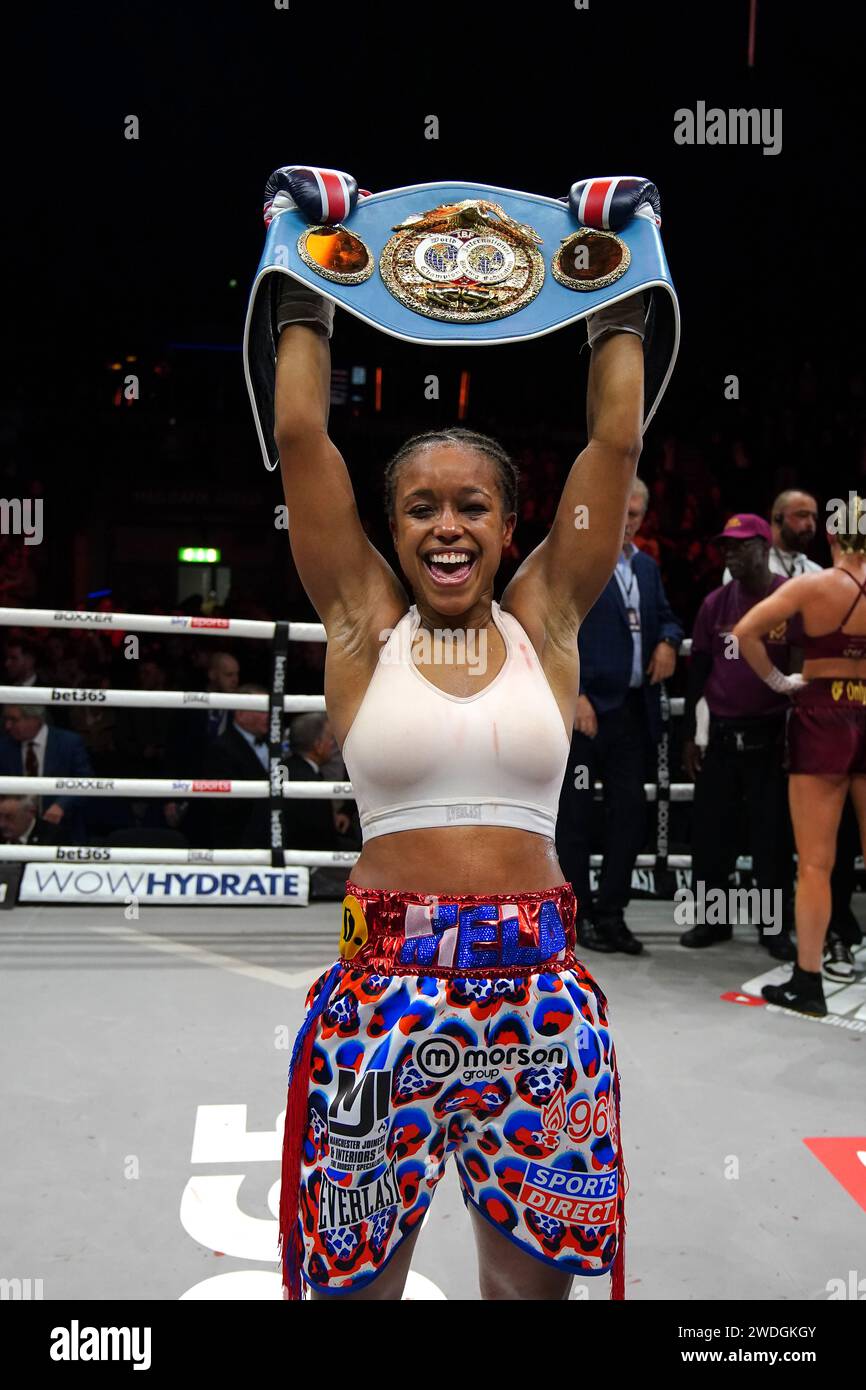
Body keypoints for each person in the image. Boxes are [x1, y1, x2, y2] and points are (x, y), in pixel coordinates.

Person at [268, 165, 657, 1302]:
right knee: (354, 1294)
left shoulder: (545, 621)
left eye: (471, 505)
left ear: (507, 523)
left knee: (530, 1298)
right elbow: (300, 432)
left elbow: (615, 446)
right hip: (383, 994)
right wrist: (299, 256)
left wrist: (620, 275)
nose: (446, 526)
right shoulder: (359, 621)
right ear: (389, 527)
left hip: (538, 1002)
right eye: (420, 507)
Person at [732, 498, 866, 1015]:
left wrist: (780, 682)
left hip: (821, 718)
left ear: (831, 538)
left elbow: (744, 632)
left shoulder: (813, 586)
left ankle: (808, 983)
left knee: (814, 864)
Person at [556, 477, 683, 954]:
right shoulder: (579, 564)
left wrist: (669, 640)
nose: (626, 522)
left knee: (630, 814)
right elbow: (554, 634)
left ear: (642, 517)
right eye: (620, 512)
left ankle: (612, 913)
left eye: (634, 515)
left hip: (631, 714)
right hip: (587, 712)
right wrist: (576, 695)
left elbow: (668, 616)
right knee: (576, 816)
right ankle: (579, 916)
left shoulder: (646, 568)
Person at [681, 516, 800, 960]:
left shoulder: (790, 599)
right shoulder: (715, 603)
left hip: (772, 735)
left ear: (763, 547)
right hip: (724, 738)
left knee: (772, 840)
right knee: (711, 838)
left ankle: (774, 929)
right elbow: (700, 671)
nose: (728, 554)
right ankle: (712, 922)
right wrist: (692, 732)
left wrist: (797, 731)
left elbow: (802, 669)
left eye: (738, 546)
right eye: (724, 547)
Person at [0, 704, 93, 844]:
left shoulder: (68, 743)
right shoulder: (5, 747)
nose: (7, 726)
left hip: (61, 826)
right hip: (15, 827)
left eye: (13, 720)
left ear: (35, 719)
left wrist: (61, 805)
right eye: (6, 720)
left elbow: (85, 780)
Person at [202, 684, 271, 848]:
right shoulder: (221, 748)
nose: (269, 716)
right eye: (262, 711)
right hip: (238, 839)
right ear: (240, 714)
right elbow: (226, 805)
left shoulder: (273, 742)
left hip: (268, 835)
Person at [721, 490, 821, 584]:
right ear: (778, 518)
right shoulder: (749, 565)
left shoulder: (816, 571)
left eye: (814, 518)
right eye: (802, 515)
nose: (810, 524)